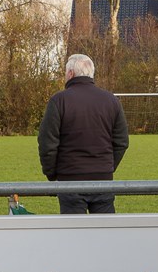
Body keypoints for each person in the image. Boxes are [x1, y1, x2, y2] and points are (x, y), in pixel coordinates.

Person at [38, 54, 129, 213]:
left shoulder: (59, 101)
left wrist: (52, 175)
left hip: (70, 179)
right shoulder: (111, 100)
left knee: (74, 235)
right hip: (103, 179)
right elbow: (121, 142)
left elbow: (47, 144)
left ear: (71, 73)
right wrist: (106, 167)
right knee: (105, 234)